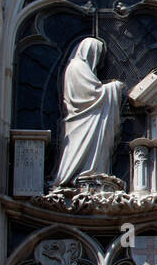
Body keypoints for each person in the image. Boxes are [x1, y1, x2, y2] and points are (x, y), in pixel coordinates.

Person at [53, 38, 124, 187]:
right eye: (97, 54)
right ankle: (76, 177)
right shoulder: (77, 66)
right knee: (78, 149)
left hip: (90, 118)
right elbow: (91, 94)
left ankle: (91, 174)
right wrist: (114, 87)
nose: (99, 62)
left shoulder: (77, 67)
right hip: (82, 120)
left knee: (95, 150)